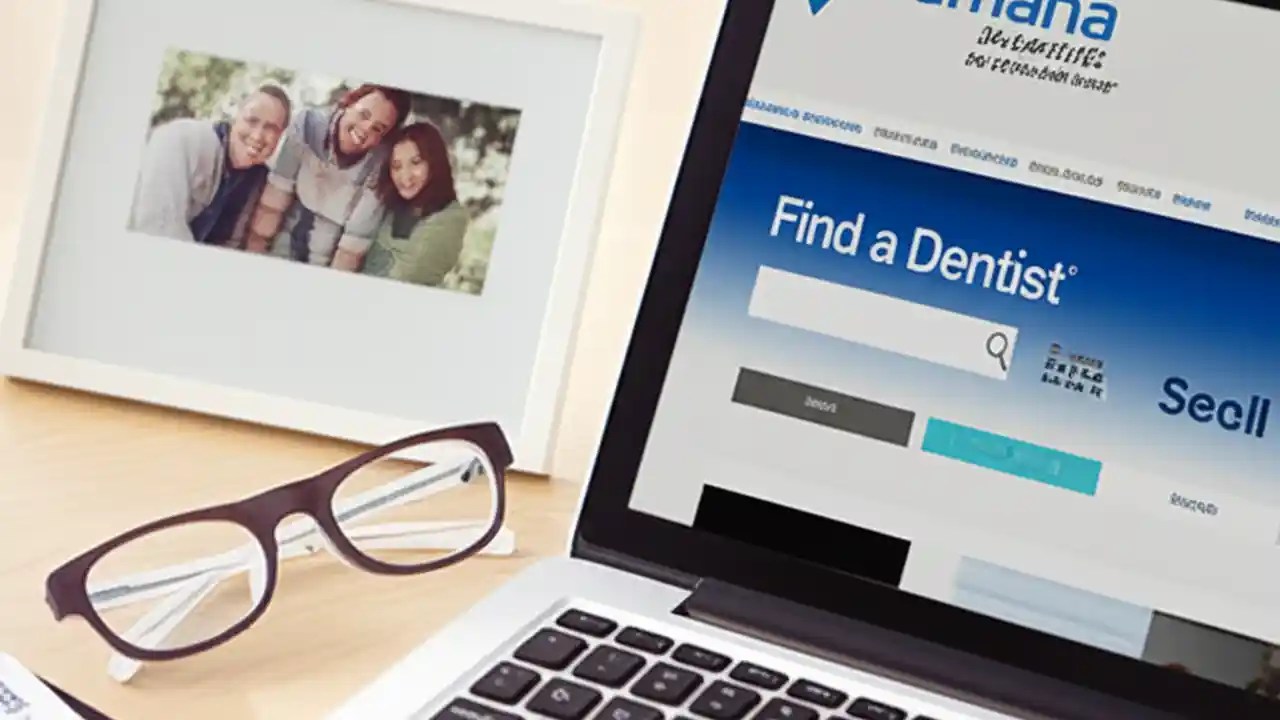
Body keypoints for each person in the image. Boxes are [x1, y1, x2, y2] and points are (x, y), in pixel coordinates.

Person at [242, 84, 411, 268]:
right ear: (348, 103)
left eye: (378, 129)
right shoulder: (307, 126)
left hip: (327, 260)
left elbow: (351, 250)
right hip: (282, 242)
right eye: (364, 115)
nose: (365, 130)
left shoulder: (382, 164)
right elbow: (272, 206)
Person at [128, 85, 291, 247]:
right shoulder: (184, 139)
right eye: (251, 120)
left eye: (271, 128)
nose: (257, 136)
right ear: (236, 116)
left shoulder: (258, 180)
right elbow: (157, 226)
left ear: (280, 137)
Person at [354, 121, 470, 285]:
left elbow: (407, 277)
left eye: (416, 162)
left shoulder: (450, 218)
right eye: (396, 166)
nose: (405, 177)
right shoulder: (391, 204)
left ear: (435, 163)